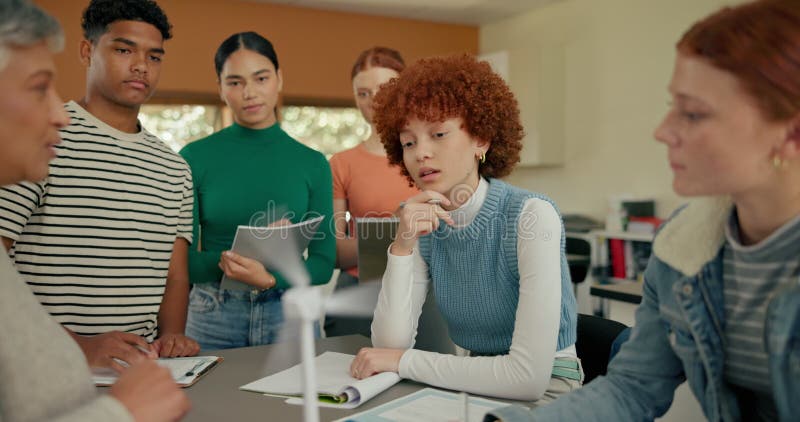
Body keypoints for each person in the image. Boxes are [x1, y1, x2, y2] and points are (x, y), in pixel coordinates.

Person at [485, 0, 800, 420]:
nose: (662, 131)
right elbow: (631, 388)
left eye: (693, 113)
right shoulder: (684, 245)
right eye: (672, 107)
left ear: (791, 134)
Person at [348, 54, 580, 402]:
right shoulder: (425, 223)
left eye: (438, 134)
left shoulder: (531, 215)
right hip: (472, 383)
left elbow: (527, 379)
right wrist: (402, 245)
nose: (421, 153)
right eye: (408, 142)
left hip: (550, 389)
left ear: (481, 139)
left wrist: (404, 361)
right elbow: (389, 347)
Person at [0, 1, 189, 420]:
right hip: (48, 375)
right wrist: (77, 346)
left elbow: (175, 274)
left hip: (140, 373)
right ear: (87, 51)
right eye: (124, 50)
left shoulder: (175, 167)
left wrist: (172, 336)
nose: (140, 66)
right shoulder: (38, 140)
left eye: (153, 56)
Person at [180, 31, 335, 350]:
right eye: (235, 82)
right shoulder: (194, 158)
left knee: (299, 387)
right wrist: (254, 256)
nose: (249, 93)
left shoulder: (313, 163)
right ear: (220, 88)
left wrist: (270, 277)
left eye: (261, 78)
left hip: (288, 311)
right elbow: (185, 264)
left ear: (279, 78)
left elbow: (322, 262)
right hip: (214, 313)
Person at [325, 46, 419, 337]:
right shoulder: (341, 164)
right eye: (363, 93)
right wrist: (395, 229)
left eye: (383, 89)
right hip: (359, 292)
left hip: (423, 289)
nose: (374, 101)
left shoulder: (428, 156)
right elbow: (334, 252)